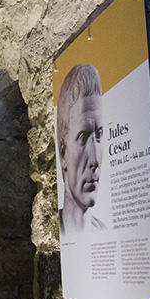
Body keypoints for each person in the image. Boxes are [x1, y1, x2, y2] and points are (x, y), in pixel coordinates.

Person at [56, 63, 106, 235]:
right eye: (83, 138)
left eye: (99, 135)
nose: (95, 160)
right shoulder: (57, 232)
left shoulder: (104, 231)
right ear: (63, 152)